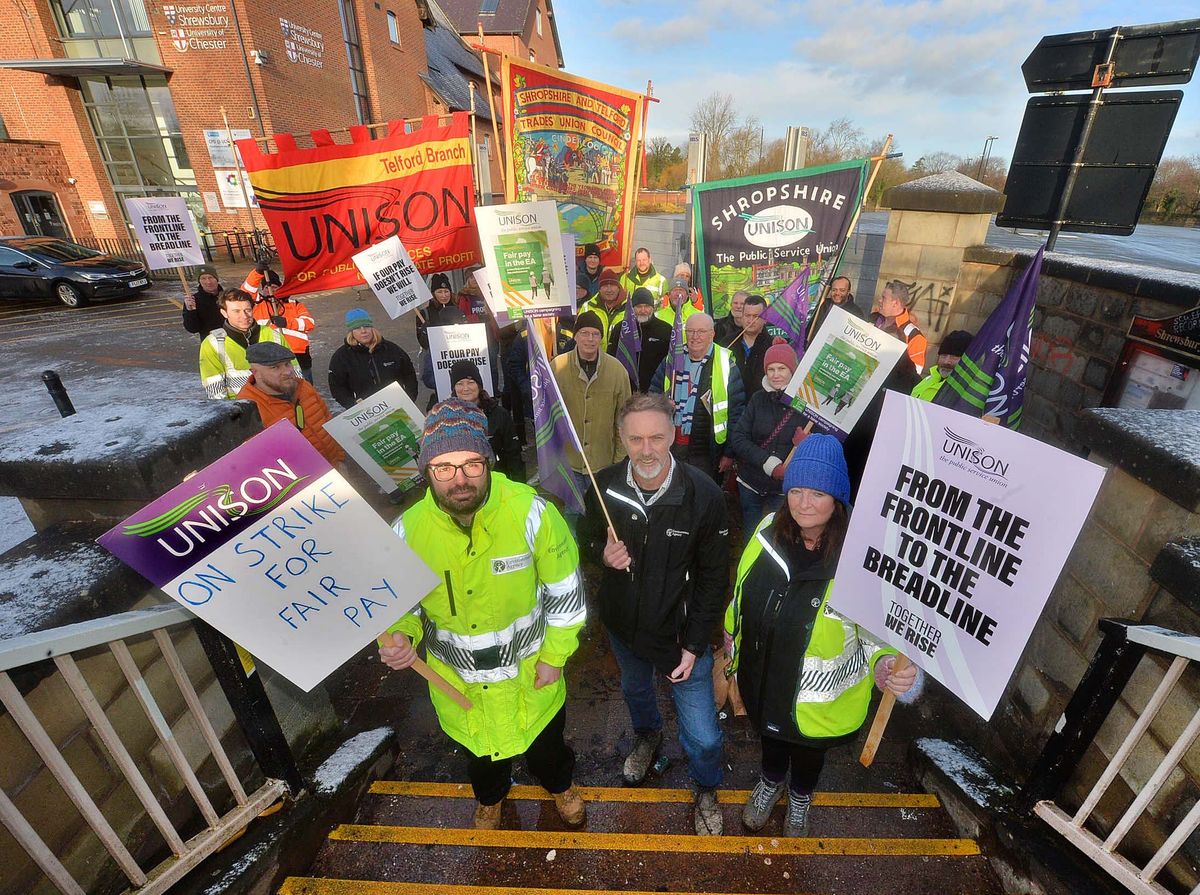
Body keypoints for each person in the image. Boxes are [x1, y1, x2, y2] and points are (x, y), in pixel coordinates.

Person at [379, 399, 587, 830]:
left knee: (548, 749)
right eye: (444, 467)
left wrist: (554, 658)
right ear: (426, 470)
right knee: (481, 759)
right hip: (460, 685)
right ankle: (491, 799)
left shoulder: (532, 514)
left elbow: (567, 598)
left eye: (472, 464)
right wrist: (400, 636)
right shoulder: (406, 532)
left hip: (532, 677)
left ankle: (561, 786)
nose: (460, 479)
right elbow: (401, 607)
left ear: (488, 462)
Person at [725, 436, 919, 836]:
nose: (804, 503)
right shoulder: (766, 529)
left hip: (818, 701)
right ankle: (770, 782)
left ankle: (800, 797)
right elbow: (743, 590)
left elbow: (878, 630)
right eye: (796, 490)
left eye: (818, 492)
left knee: (808, 753)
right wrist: (731, 636)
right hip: (764, 677)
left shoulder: (859, 558)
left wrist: (886, 663)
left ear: (837, 499)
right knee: (771, 739)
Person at [579, 393, 730, 835]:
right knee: (636, 689)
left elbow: (713, 579)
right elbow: (585, 538)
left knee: (704, 736)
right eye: (636, 439)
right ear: (621, 438)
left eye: (656, 438)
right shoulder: (604, 486)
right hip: (625, 627)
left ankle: (706, 785)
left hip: (681, 638)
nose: (646, 450)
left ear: (673, 435)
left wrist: (695, 645)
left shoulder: (704, 495)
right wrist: (601, 554)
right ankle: (648, 735)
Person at [550, 311, 632, 515]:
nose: (590, 339)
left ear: (601, 338)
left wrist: (619, 460)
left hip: (603, 464)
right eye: (584, 333)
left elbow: (624, 420)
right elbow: (548, 416)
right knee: (572, 516)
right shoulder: (558, 367)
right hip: (570, 463)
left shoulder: (617, 371)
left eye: (595, 334)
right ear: (575, 336)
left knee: (602, 517)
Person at [650, 313, 745, 479]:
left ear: (712, 334)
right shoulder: (672, 360)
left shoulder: (725, 364)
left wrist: (729, 453)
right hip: (670, 447)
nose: (695, 336)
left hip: (707, 452)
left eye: (701, 331)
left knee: (701, 492)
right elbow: (652, 396)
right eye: (690, 331)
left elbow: (736, 412)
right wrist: (662, 403)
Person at [728, 344, 807, 533]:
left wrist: (808, 443)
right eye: (771, 369)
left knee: (776, 535)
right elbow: (738, 438)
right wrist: (768, 462)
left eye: (782, 368)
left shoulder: (805, 404)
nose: (776, 375)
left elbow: (824, 444)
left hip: (783, 488)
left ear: (792, 371)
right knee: (751, 534)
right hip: (751, 482)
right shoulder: (758, 399)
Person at [236, 342, 346, 466]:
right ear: (255, 372)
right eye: (275, 367)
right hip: (304, 476)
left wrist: (339, 458)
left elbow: (328, 421)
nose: (287, 372)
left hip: (334, 465)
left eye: (287, 364)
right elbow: (259, 459)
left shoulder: (304, 387)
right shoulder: (248, 410)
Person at [199, 289, 292, 399]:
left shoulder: (274, 335)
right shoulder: (212, 343)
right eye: (236, 311)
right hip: (240, 406)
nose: (244, 316)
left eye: (247, 310)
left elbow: (295, 375)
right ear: (224, 313)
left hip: (278, 404)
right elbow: (215, 390)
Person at [328, 308, 418, 409]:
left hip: (398, 406)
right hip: (368, 412)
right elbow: (337, 388)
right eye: (357, 328)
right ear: (351, 332)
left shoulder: (391, 349)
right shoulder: (341, 357)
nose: (363, 331)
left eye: (366, 326)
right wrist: (353, 405)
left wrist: (409, 399)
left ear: (372, 328)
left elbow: (409, 375)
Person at [450, 359, 523, 482]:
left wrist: (520, 485)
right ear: (454, 388)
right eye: (459, 384)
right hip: (463, 483)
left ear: (479, 385)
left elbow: (514, 454)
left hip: (497, 480)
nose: (465, 388)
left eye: (471, 382)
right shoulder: (447, 418)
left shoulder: (499, 414)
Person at [248, 267, 317, 383]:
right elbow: (246, 291)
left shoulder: (295, 305)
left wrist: (287, 322)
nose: (270, 290)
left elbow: (309, 323)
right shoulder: (256, 305)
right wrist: (257, 273)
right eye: (267, 288)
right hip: (270, 356)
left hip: (298, 355)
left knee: (305, 387)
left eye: (274, 287)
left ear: (280, 288)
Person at [608, 287, 671, 392]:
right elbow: (611, 358)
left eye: (647, 306)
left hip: (654, 390)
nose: (643, 310)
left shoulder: (665, 330)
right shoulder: (621, 328)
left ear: (653, 308)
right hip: (626, 389)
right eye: (639, 306)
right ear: (632, 308)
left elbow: (670, 362)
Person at [873, 281, 928, 385]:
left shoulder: (914, 336)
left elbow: (913, 376)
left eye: (884, 298)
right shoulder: (873, 318)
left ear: (896, 303)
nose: (879, 300)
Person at [912, 329, 974, 402]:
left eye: (954, 357)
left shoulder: (968, 391)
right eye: (943, 355)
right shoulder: (928, 380)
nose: (946, 361)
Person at [733, 295, 773, 399]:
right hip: (732, 405)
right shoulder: (727, 344)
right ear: (742, 316)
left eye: (756, 316)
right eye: (747, 315)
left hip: (762, 404)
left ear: (765, 319)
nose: (750, 320)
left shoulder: (773, 347)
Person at [576, 269, 627, 353]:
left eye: (612, 285)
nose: (609, 290)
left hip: (620, 358)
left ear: (618, 288)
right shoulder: (588, 307)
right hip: (594, 357)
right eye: (605, 286)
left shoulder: (629, 309)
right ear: (599, 289)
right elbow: (578, 334)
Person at [417, 273, 468, 350]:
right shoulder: (424, 313)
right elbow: (423, 343)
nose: (444, 295)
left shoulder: (459, 309)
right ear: (433, 294)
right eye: (439, 292)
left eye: (446, 291)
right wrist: (425, 332)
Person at [181, 265, 223, 338]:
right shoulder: (194, 300)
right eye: (203, 278)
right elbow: (192, 329)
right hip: (210, 341)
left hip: (233, 340)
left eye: (211, 277)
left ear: (216, 279)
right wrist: (190, 311)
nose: (208, 282)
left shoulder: (228, 296)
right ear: (199, 281)